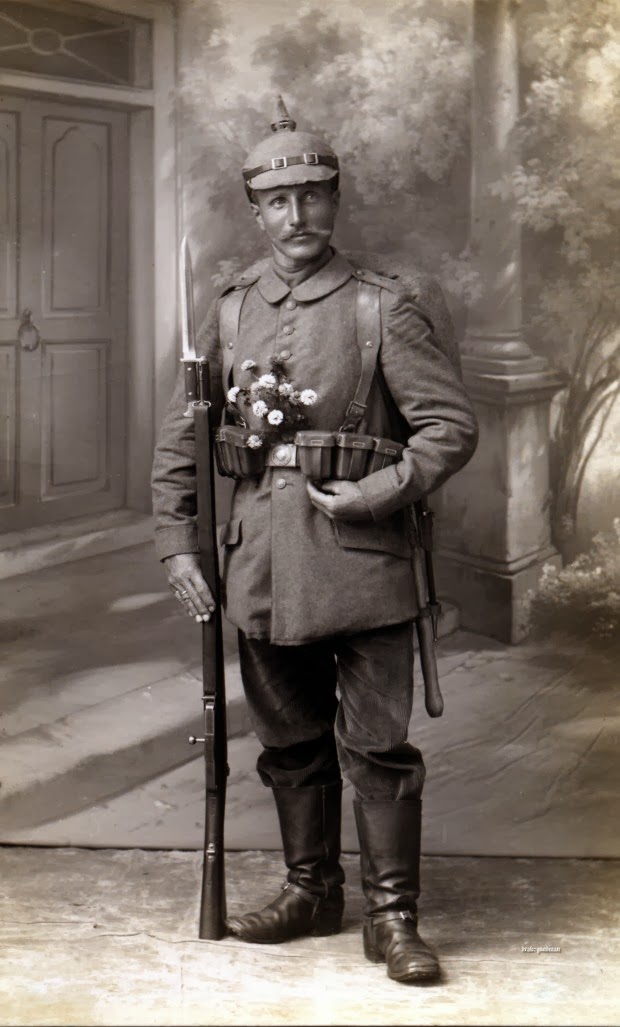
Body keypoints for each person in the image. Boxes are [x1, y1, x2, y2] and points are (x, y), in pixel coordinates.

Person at [151, 99, 478, 984]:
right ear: (256, 213)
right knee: (289, 742)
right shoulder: (225, 312)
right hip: (259, 563)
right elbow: (186, 434)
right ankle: (311, 889)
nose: (297, 218)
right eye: (278, 203)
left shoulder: (384, 306)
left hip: (367, 565)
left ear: (336, 202)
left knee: (377, 747)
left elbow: (448, 427)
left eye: (314, 198)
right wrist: (181, 543)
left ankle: (393, 916)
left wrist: (376, 492)